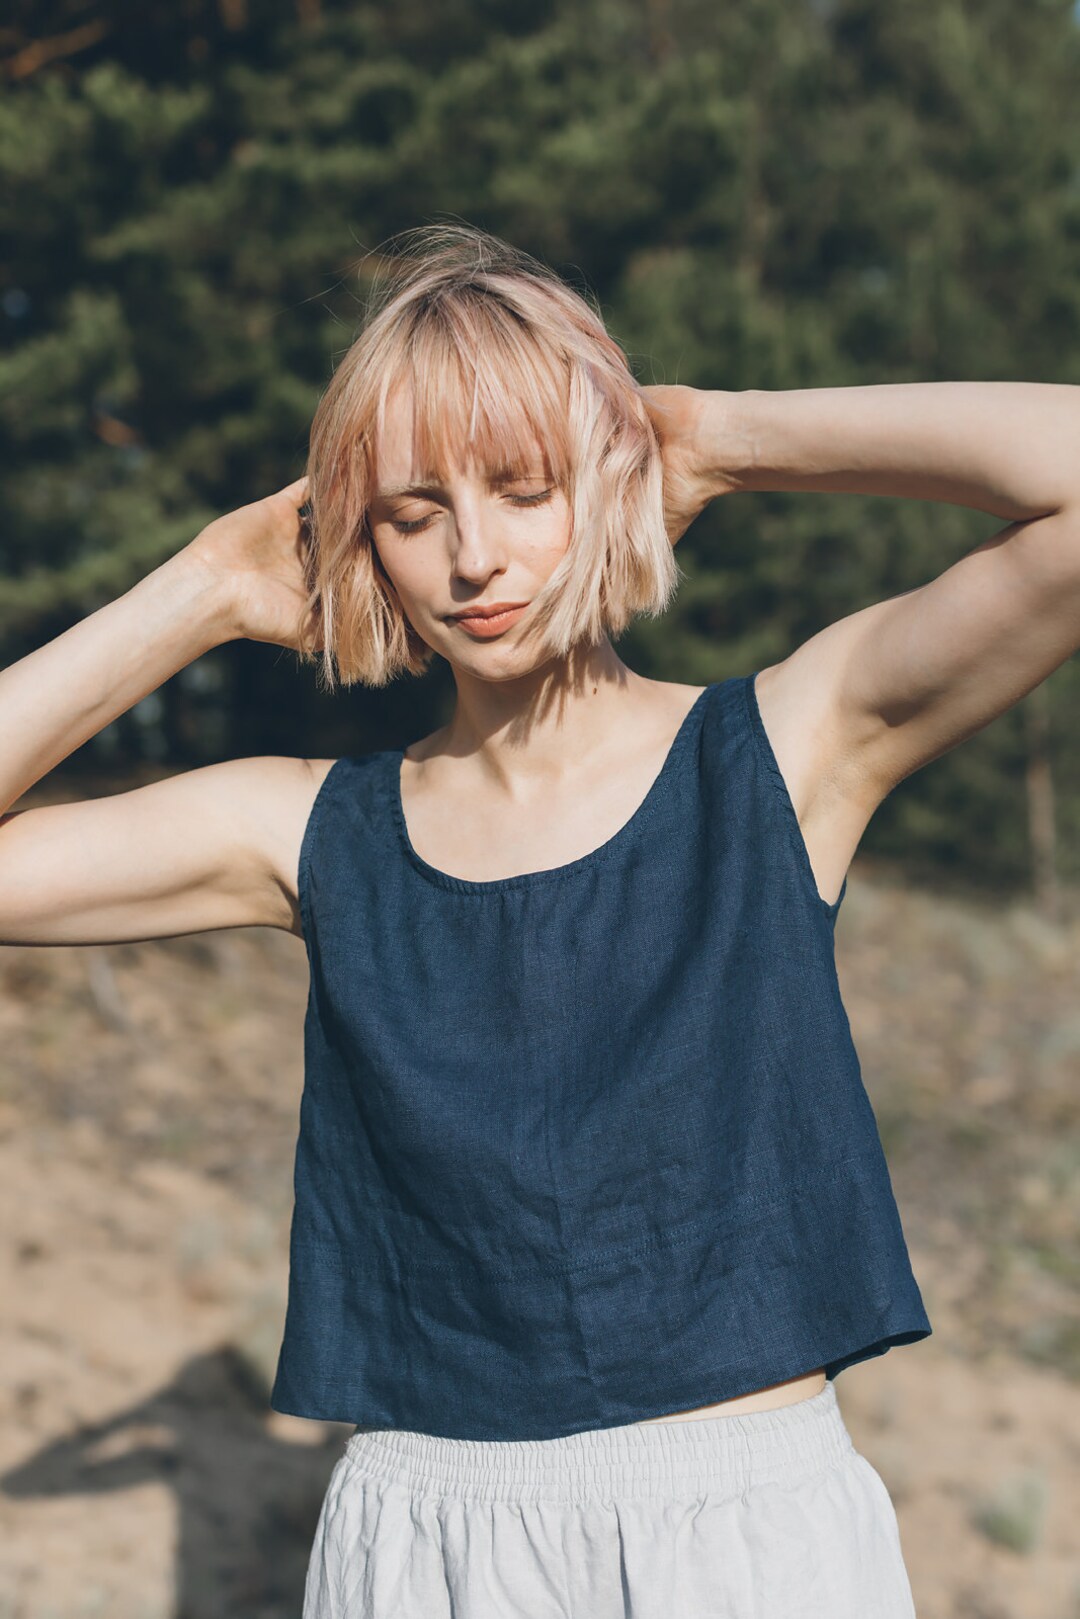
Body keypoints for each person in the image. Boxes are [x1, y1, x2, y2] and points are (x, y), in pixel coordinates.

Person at [3, 223, 1079, 1617]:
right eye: (412, 511)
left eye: (524, 487)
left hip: (743, 1532)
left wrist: (724, 434)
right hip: (428, 1540)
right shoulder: (312, 830)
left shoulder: (779, 754)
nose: (473, 558)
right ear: (365, 543)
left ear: (608, 481)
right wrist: (204, 585)